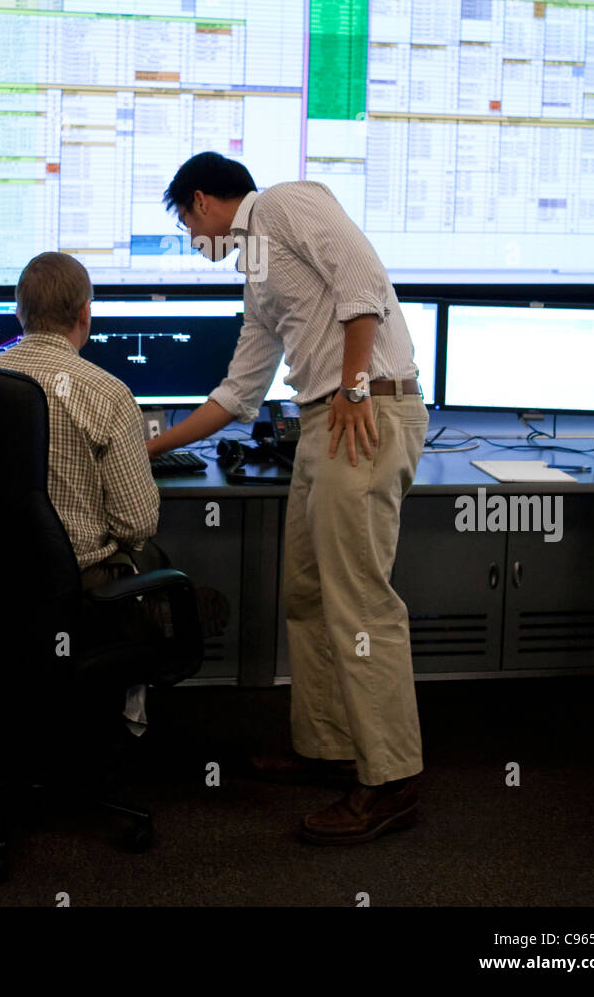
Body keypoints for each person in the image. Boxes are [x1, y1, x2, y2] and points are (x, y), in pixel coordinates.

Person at [147, 152, 429, 844]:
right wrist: (144, 448)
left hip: (361, 412)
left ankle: (390, 780)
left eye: (186, 221)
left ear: (205, 199)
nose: (190, 238)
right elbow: (238, 394)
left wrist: (356, 384)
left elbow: (361, 279)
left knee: (359, 598)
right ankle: (331, 747)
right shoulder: (257, 274)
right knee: (306, 593)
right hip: (320, 421)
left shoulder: (281, 204)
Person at [0, 251, 166, 734]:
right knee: (154, 556)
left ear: (18, 311)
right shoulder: (106, 393)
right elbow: (137, 523)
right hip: (74, 586)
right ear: (85, 313)